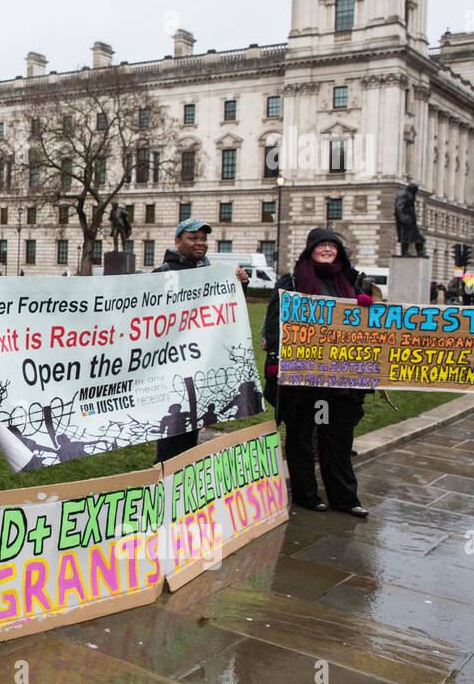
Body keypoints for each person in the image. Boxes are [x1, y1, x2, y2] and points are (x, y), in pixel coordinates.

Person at [262, 228, 371, 518]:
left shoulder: (350, 282)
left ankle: (345, 498)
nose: (327, 250)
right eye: (321, 245)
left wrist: (367, 308)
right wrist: (275, 360)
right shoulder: (293, 281)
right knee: (301, 438)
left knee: (337, 439)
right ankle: (306, 495)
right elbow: (274, 322)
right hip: (303, 381)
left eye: (332, 246)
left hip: (340, 382)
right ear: (310, 249)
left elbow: (367, 327)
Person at [150, 219, 249, 462]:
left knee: (191, 432)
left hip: (202, 368)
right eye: (193, 238)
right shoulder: (162, 275)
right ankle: (164, 481)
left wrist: (240, 286)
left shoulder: (212, 272)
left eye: (203, 238)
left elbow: (225, 313)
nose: (200, 243)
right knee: (171, 435)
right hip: (172, 369)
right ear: (177, 241)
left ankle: (182, 481)